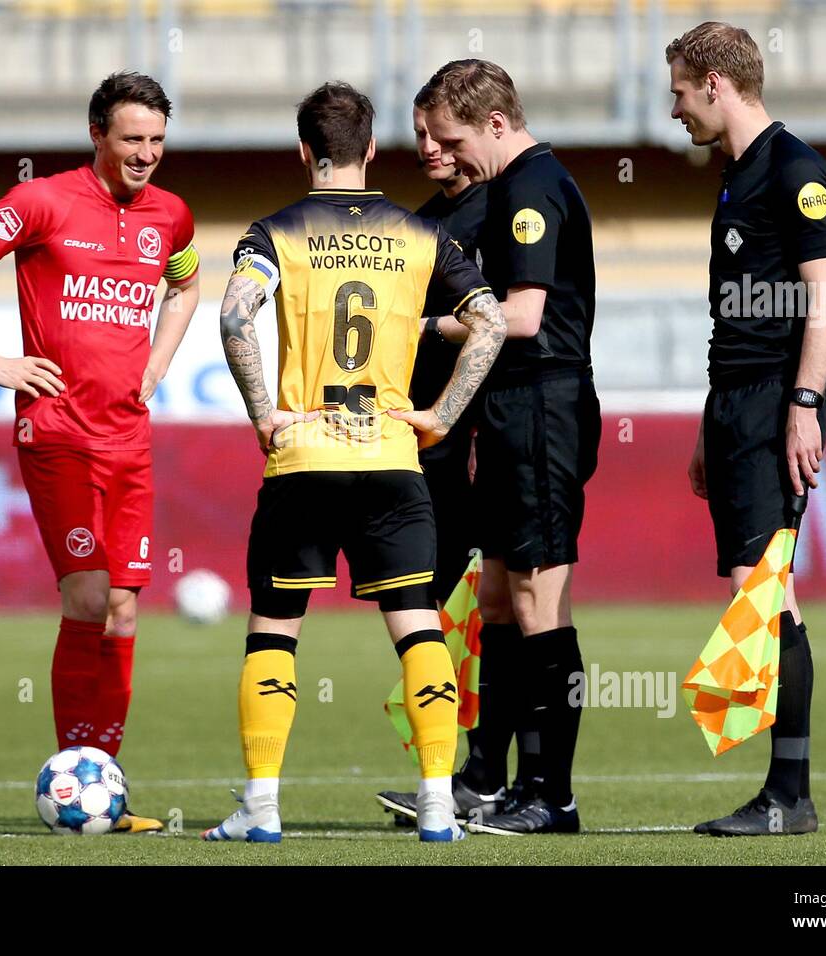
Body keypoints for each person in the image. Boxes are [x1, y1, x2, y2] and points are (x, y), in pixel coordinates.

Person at [201, 81, 506, 843]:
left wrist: (264, 415)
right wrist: (439, 416)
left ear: (305, 150)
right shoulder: (423, 236)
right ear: (372, 150)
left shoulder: (275, 233)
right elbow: (492, 323)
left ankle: (261, 808)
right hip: (391, 460)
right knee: (420, 631)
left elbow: (235, 313)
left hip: (304, 460)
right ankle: (439, 803)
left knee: (274, 632)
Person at [0, 71, 201, 834]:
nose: (146, 154)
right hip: (58, 436)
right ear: (96, 136)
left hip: (129, 436)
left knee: (124, 607)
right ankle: (77, 775)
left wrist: (159, 363)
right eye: (131, 139)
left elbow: (185, 284)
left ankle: (106, 785)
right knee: (86, 597)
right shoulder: (41, 202)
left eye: (157, 140)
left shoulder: (170, 216)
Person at [668, 22, 826, 835]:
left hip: (779, 399)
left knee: (764, 588)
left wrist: (804, 403)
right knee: (758, 586)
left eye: (678, 90)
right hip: (738, 402)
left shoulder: (795, 168)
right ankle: (786, 791)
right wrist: (713, 418)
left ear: (714, 82)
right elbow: (733, 313)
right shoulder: (736, 175)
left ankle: (791, 794)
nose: (673, 109)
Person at [422, 59, 601, 836]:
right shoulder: (517, 182)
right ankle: (499, 781)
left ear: (496, 124)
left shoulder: (530, 185)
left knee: (538, 600)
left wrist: (426, 328)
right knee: (499, 597)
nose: (450, 155)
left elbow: (522, 316)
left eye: (456, 138)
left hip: (540, 406)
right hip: (508, 409)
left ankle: (551, 795)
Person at [374, 83, 503, 827]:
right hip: (429, 443)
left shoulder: (505, 209)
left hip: (485, 434)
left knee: (497, 605)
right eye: (418, 132)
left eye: (440, 133)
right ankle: (453, 776)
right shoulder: (419, 226)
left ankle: (492, 777)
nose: (427, 146)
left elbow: (512, 322)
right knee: (437, 605)